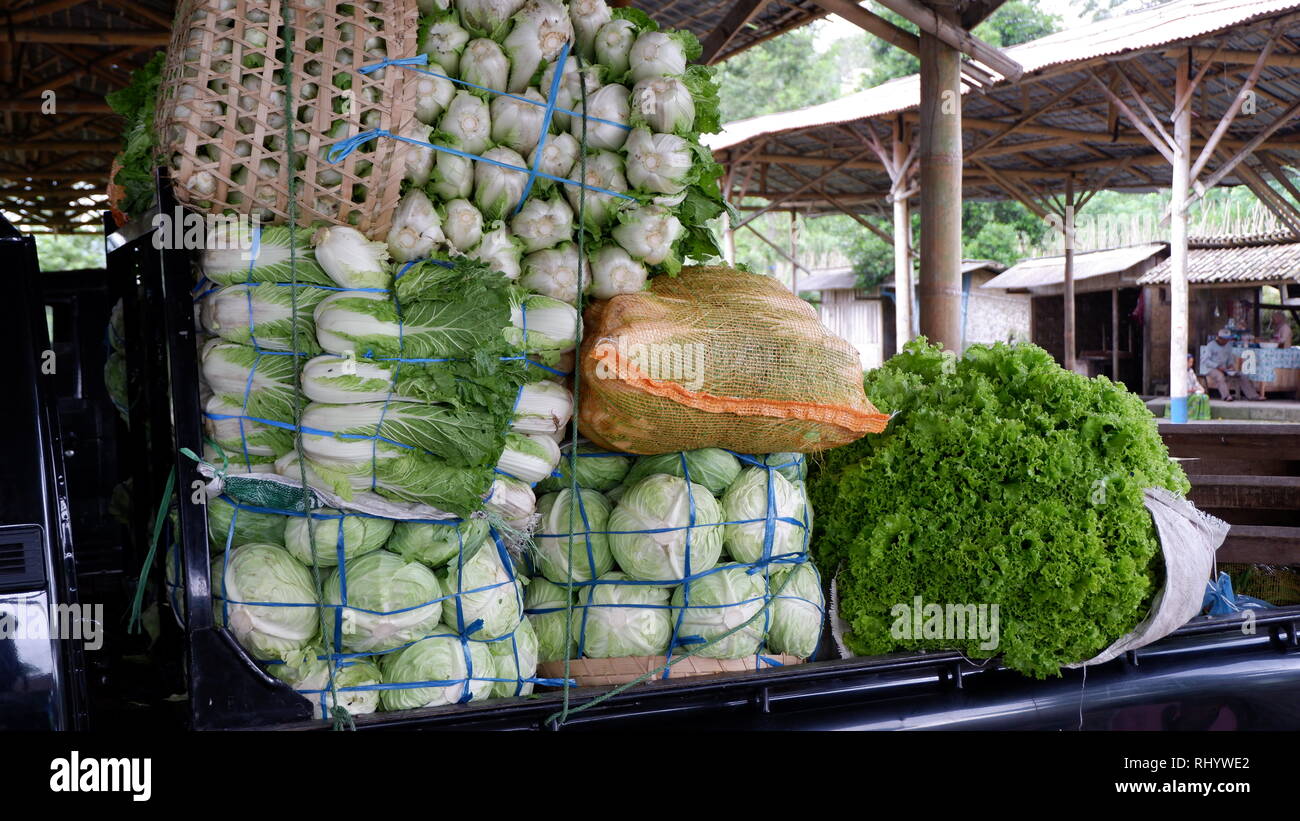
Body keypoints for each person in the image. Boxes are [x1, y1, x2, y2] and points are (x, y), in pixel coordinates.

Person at [1202, 327, 1260, 401]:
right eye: (1224, 339)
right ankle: (1226, 396)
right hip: (1211, 368)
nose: (1226, 341)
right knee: (1220, 376)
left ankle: (1253, 396)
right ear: (1219, 338)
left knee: (1242, 375)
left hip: (1225, 368)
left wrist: (1231, 366)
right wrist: (1217, 366)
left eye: (1227, 339)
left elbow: (1229, 358)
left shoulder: (1228, 345)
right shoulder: (1211, 345)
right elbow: (1204, 360)